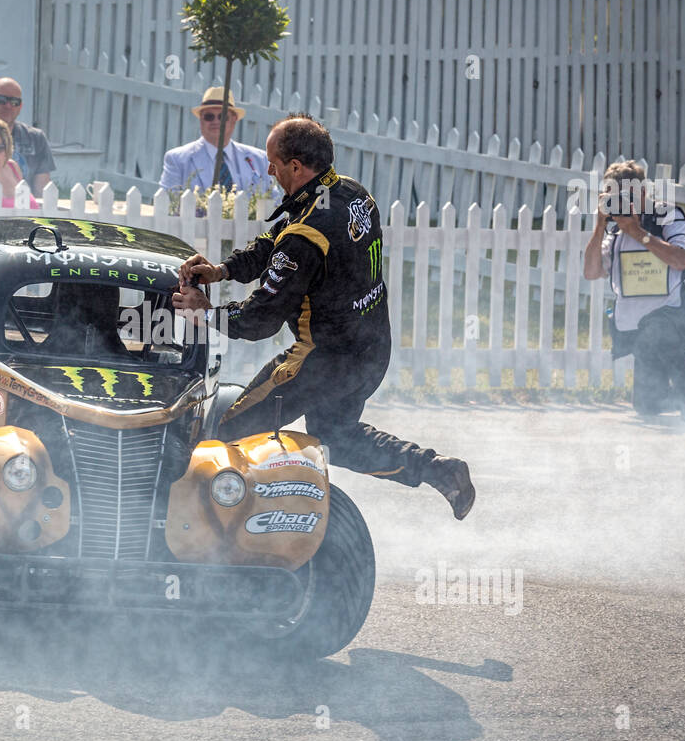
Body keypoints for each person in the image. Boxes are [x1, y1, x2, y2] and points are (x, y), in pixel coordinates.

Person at [172, 113, 475, 520]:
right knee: (336, 435)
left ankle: (243, 526)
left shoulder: (307, 233)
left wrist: (205, 312)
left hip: (324, 359)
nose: (269, 170)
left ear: (296, 167)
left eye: (273, 162)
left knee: (227, 432)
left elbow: (259, 320)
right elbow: (276, 241)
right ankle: (438, 469)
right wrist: (224, 270)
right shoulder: (350, 193)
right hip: (372, 350)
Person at [583, 160, 685, 419]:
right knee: (647, 405)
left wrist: (638, 233)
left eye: (626, 196)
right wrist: (599, 226)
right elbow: (591, 272)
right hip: (641, 329)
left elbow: (681, 259)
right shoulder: (614, 232)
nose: (621, 204)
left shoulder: (667, 217)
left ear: (642, 193)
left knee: (656, 330)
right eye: (613, 197)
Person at [159, 86, 271, 196]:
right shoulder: (178, 160)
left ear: (234, 119)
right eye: (209, 116)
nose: (216, 122)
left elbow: (275, 204)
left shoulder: (260, 159)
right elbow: (167, 205)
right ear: (201, 119)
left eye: (222, 116)